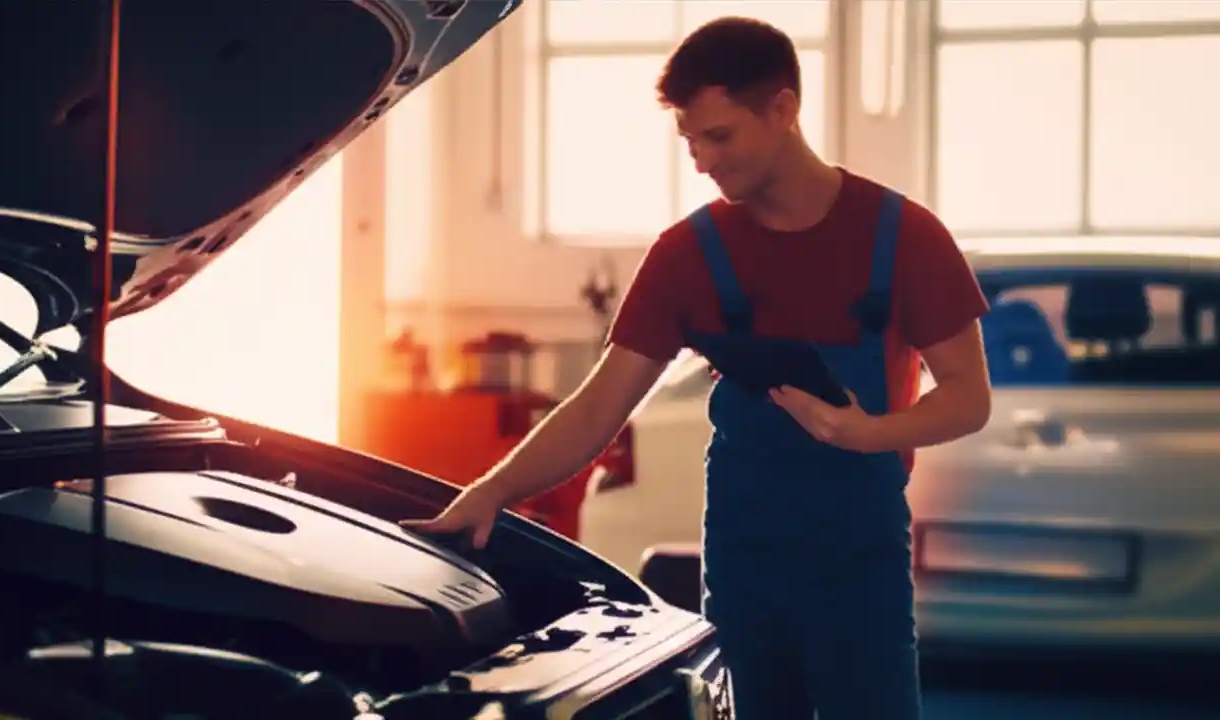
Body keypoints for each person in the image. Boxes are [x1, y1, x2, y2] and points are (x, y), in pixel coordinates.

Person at [403, 16, 991, 720]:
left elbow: (968, 398)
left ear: (783, 109)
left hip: (860, 567)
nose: (703, 160)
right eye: (690, 142)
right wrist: (490, 491)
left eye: (719, 136)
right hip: (746, 570)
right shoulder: (689, 254)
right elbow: (596, 410)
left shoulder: (903, 237)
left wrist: (866, 433)